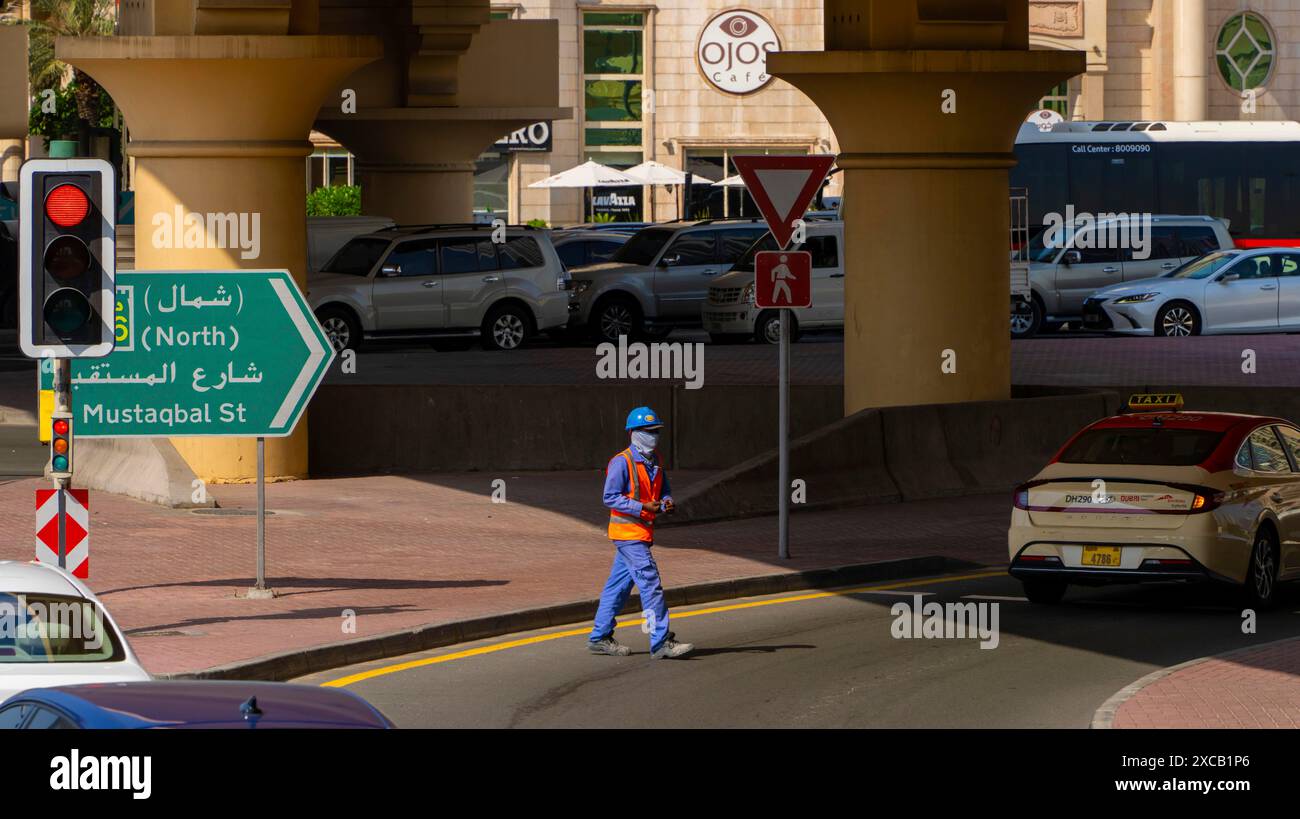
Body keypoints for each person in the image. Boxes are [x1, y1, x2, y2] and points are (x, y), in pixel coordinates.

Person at [587, 406, 694, 659]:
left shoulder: (655, 460)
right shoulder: (621, 462)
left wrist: (666, 501)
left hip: (641, 532)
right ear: (634, 433)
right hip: (628, 534)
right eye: (649, 431)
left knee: (618, 588)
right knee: (650, 584)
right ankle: (660, 642)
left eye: (656, 431)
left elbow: (663, 489)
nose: (654, 435)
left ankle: (599, 637)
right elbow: (609, 497)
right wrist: (642, 506)